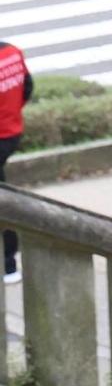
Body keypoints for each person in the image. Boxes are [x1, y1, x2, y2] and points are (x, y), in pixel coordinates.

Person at [0, 38, 36, 285]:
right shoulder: (12, 53)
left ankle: (9, 263)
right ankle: (9, 264)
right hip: (11, 134)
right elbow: (27, 87)